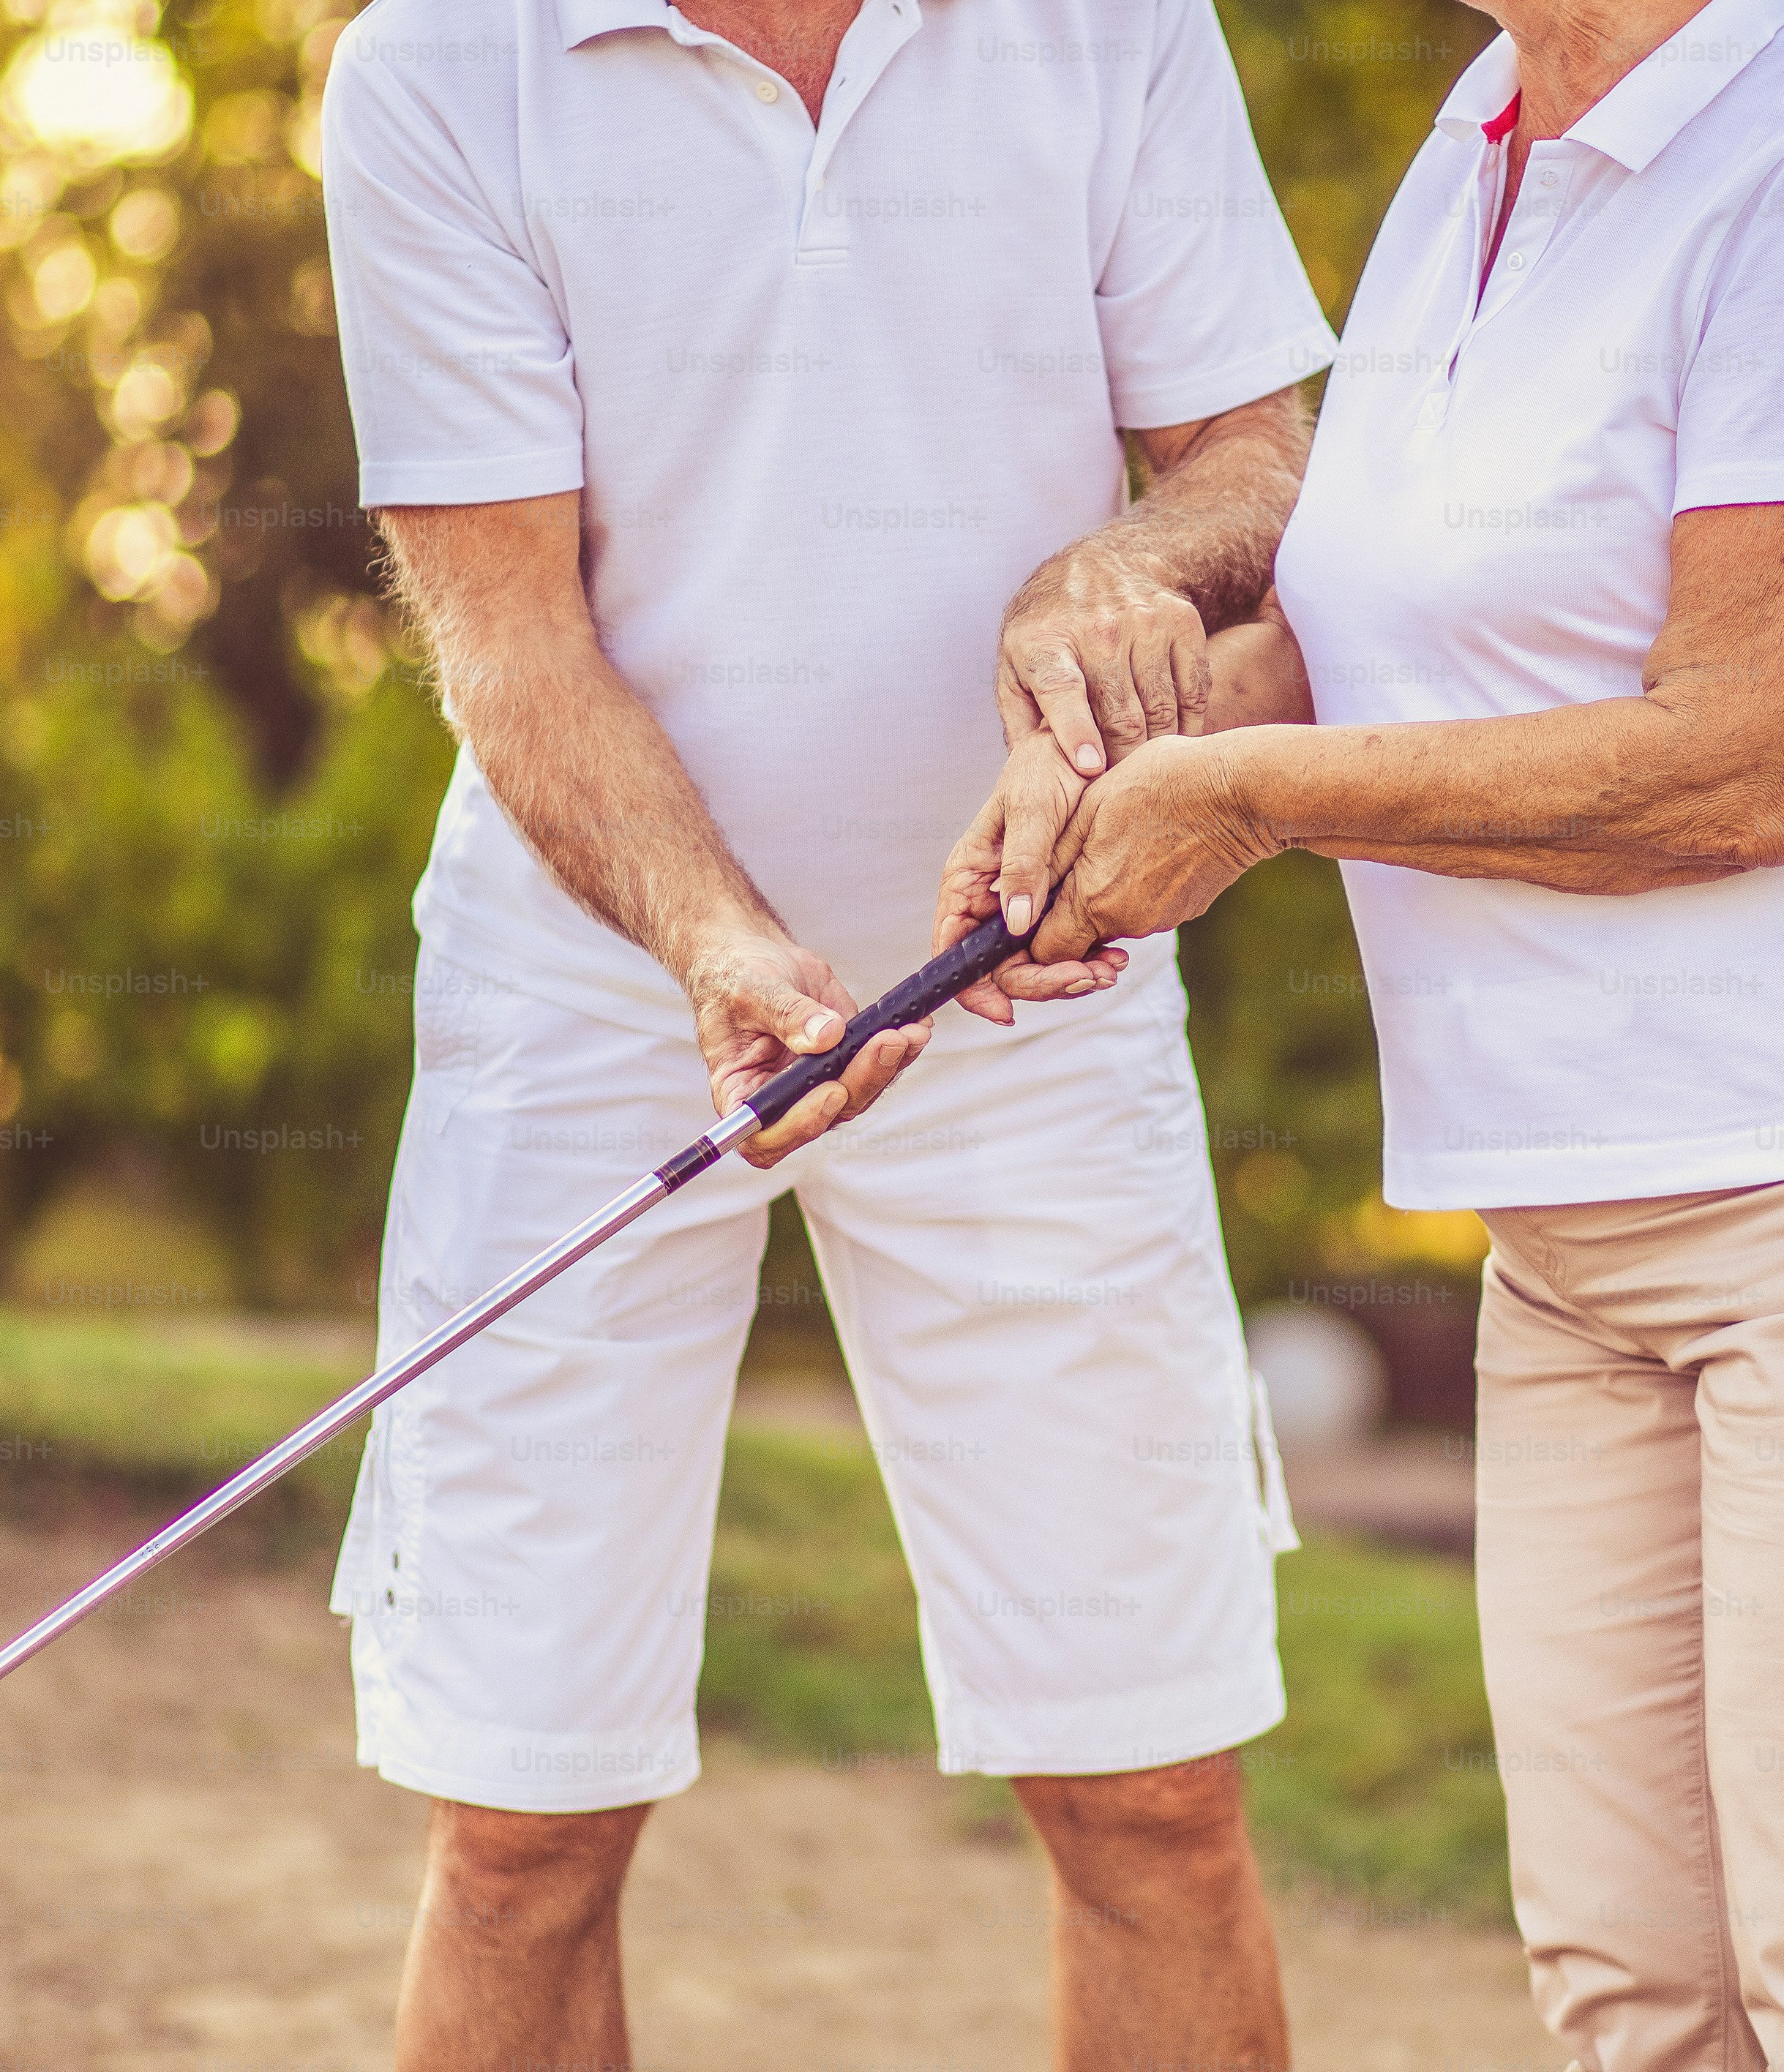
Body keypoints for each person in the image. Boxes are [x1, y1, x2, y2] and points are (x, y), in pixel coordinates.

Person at [938, 0, 1784, 2064]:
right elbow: (1370, 617)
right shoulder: (1478, 146)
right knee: (1635, 1992)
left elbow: (1741, 762)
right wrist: (1136, 767)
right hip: (1567, 1230)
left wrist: (1242, 810)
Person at [312, 0, 1332, 2062]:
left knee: (1150, 1790)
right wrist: (713, 942)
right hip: (592, 993)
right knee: (519, 1820)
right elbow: (505, 633)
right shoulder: (435, 63)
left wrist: (1117, 567)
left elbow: (1267, 459)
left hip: (1041, 977)